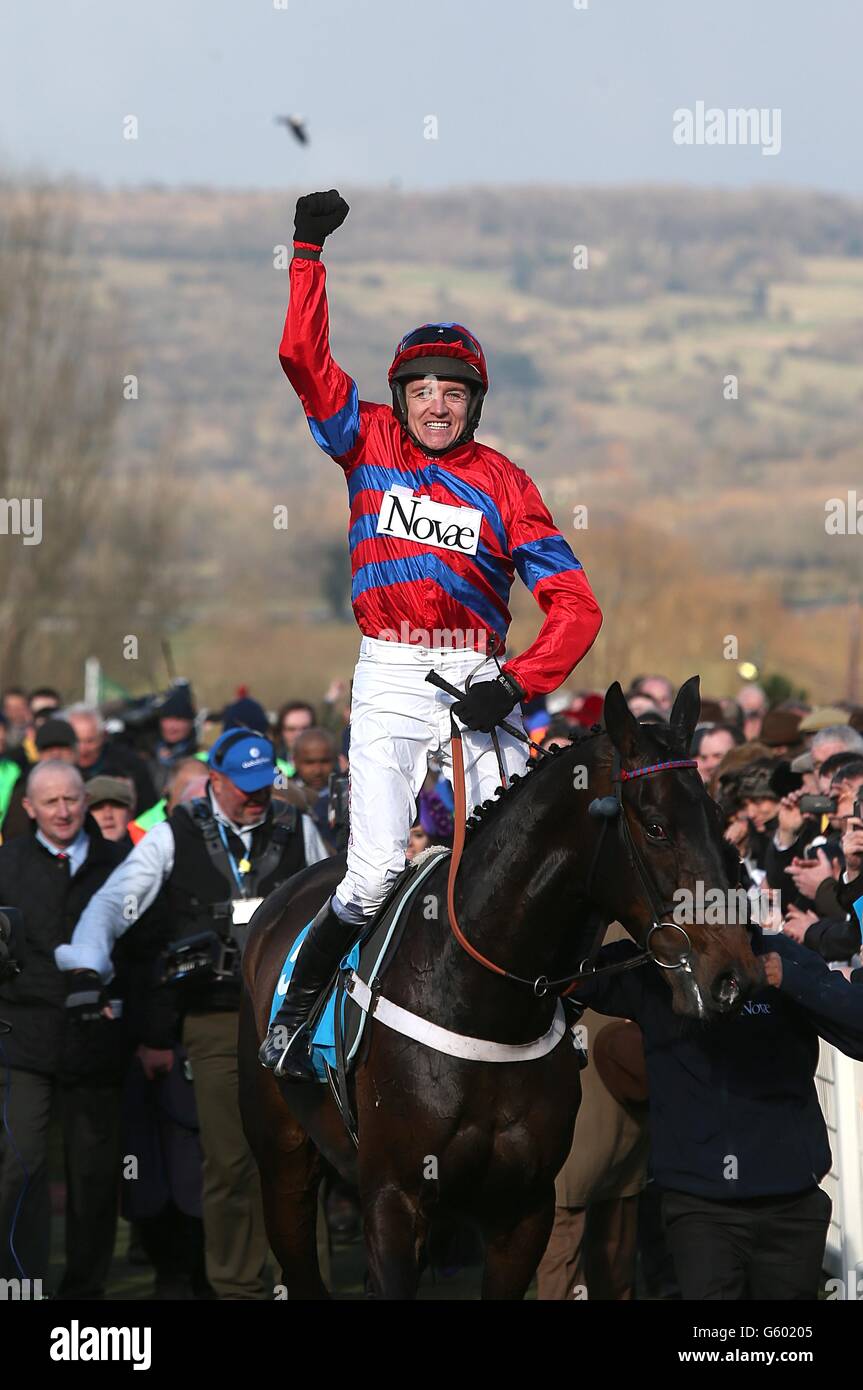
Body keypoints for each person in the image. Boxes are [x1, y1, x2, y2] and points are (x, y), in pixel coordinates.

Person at [260, 189, 602, 1079]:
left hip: (481, 678)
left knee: (514, 869)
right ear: (400, 397)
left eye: (453, 393)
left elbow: (575, 605)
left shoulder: (506, 482)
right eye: (422, 390)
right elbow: (302, 355)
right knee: (373, 873)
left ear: (474, 403)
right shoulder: (364, 439)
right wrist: (306, 253)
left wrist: (520, 681)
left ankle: (555, 1023)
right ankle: (299, 1013)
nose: (437, 406)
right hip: (390, 673)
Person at [56, 728, 329, 1299]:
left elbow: (342, 901)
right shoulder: (173, 834)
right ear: (216, 782)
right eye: (245, 787)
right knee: (228, 1163)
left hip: (297, 1016)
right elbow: (115, 900)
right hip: (216, 1019)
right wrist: (85, 964)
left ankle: (303, 1286)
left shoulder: (298, 827)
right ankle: (236, 1287)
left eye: (265, 786)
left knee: (302, 1160)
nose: (257, 797)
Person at [573, 928, 863, 1300]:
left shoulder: (783, 957)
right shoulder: (654, 964)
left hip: (792, 1207)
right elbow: (563, 974)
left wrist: (787, 979)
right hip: (701, 1210)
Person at [0, 762, 127, 1297]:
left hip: (96, 1044)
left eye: (72, 799)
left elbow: (141, 951)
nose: (63, 810)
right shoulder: (6, 865)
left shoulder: (120, 864)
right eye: (50, 801)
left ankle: (84, 1292)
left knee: (95, 1177)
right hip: (22, 1042)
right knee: (20, 1167)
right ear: (28, 808)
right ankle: (20, 1285)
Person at [64, 703, 157, 819]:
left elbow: (150, 811)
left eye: (90, 741)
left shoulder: (129, 765)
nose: (83, 749)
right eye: (77, 741)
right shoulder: (58, 768)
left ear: (103, 736)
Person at [85, 775, 136, 850]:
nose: (108, 815)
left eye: (116, 805)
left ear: (130, 813)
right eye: (98, 807)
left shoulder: (147, 856)